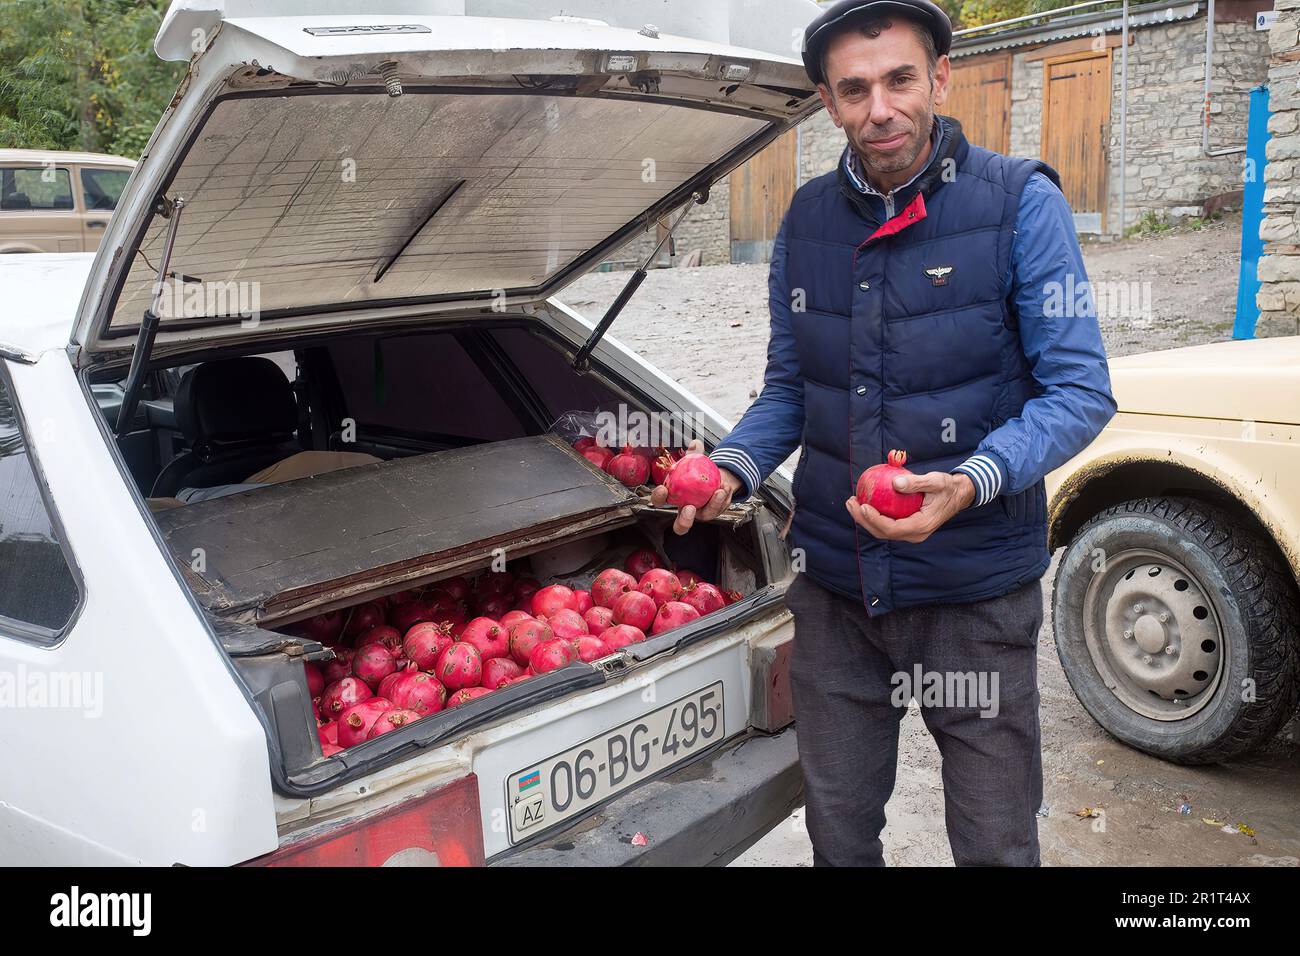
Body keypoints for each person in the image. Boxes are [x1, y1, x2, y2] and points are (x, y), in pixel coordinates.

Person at [651, 0, 1116, 866]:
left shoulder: (1020, 205)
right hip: (835, 593)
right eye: (855, 89)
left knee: (994, 842)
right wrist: (734, 469)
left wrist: (970, 481)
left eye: (901, 79)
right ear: (828, 101)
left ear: (940, 76)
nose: (881, 109)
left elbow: (1080, 393)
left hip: (972, 596)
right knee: (839, 834)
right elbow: (792, 388)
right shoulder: (809, 221)